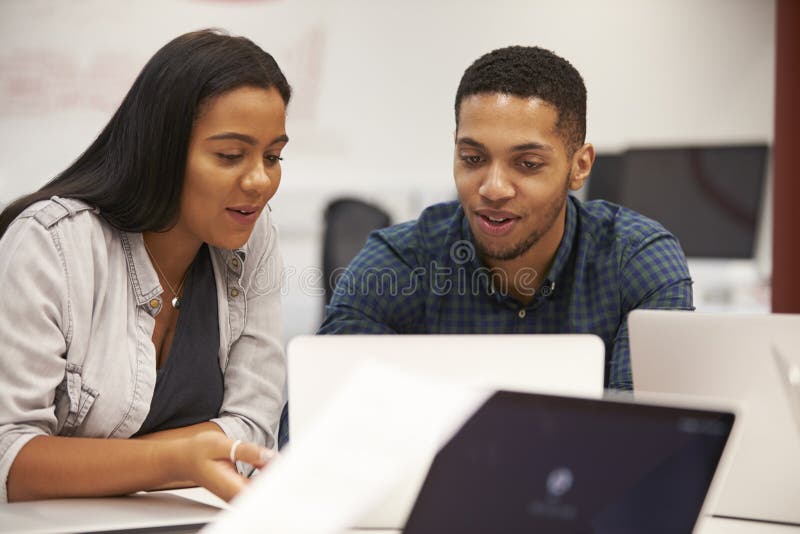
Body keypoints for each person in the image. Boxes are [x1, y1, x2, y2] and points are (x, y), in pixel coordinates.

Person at [0, 29, 290, 502]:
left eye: (274, 156)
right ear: (163, 148)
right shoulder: (50, 244)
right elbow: (9, 456)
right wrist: (174, 460)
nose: (260, 181)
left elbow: (253, 430)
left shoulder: (253, 236)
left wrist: (102, 465)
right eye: (230, 156)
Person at [318, 46, 693, 390]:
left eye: (527, 164)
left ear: (579, 167)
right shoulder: (398, 263)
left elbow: (651, 438)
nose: (493, 188)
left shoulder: (636, 260)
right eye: (473, 159)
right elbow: (316, 423)